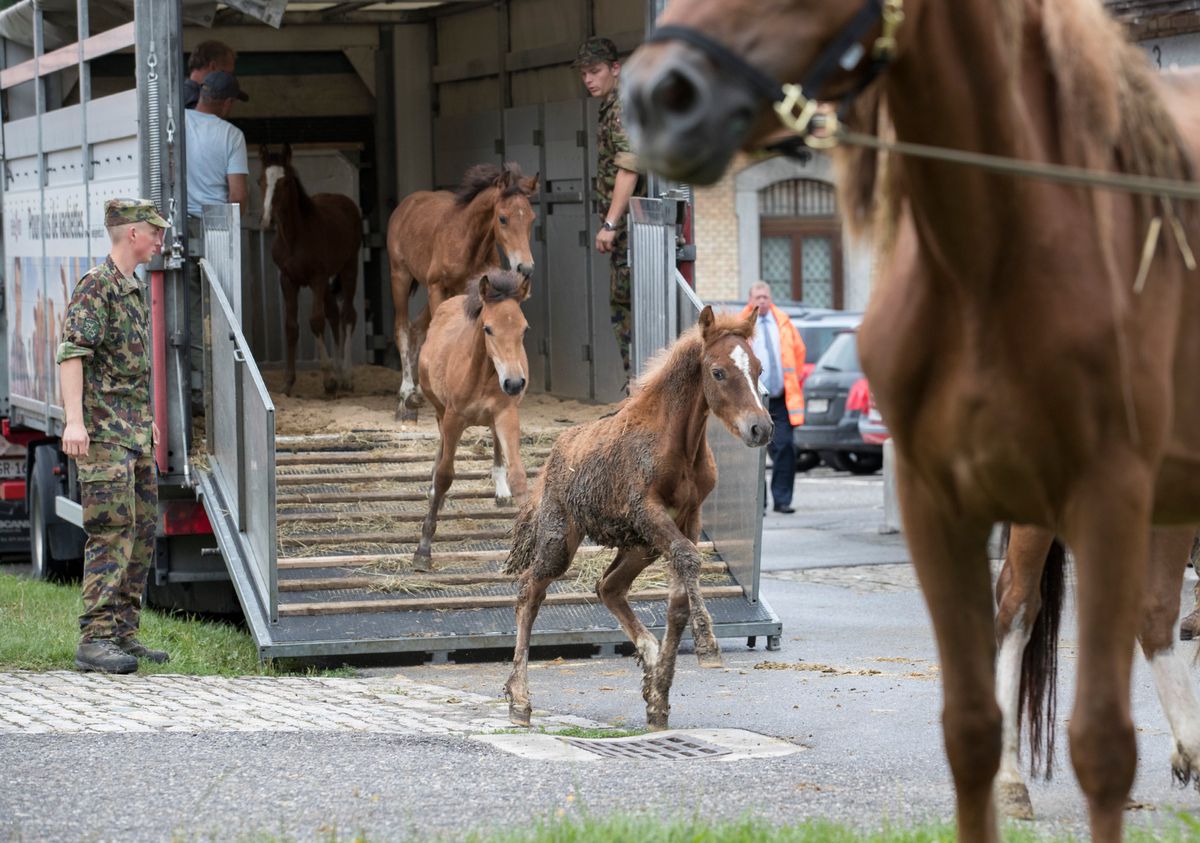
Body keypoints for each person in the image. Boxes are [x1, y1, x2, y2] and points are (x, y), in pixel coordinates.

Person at [57, 198, 171, 673]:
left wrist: (149, 421)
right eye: (155, 232)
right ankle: (95, 638)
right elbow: (72, 354)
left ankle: (123, 633)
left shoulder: (132, 288)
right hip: (103, 436)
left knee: (143, 530)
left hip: (134, 435)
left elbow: (133, 368)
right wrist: (74, 421)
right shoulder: (96, 288)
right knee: (110, 531)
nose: (160, 240)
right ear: (132, 235)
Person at [576, 36, 645, 389]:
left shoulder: (620, 108)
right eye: (584, 73)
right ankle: (636, 382)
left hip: (632, 230)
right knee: (624, 306)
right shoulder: (614, 105)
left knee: (627, 308)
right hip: (628, 232)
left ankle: (639, 384)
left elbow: (630, 167)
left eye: (595, 71)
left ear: (614, 69)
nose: (589, 79)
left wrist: (610, 224)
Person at [741, 282, 806, 514]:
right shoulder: (742, 325)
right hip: (753, 400)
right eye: (758, 297)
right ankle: (760, 504)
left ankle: (783, 500)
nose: (762, 301)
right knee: (756, 450)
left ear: (771, 298)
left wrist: (794, 380)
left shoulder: (784, 322)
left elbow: (799, 353)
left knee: (786, 447)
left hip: (781, 397)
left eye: (765, 297)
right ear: (750, 300)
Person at [184, 70, 249, 215]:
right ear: (227, 103)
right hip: (215, 223)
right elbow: (237, 197)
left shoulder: (176, 120)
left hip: (177, 222)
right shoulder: (233, 135)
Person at [184, 40, 236, 110]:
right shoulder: (194, 102)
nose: (229, 80)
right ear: (213, 67)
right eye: (228, 74)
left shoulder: (175, 97)